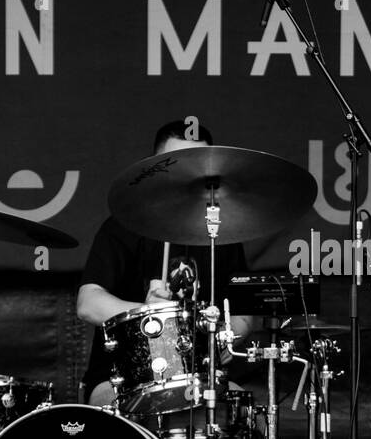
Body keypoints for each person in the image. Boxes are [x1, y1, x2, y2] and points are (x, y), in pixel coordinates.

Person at [77, 120, 249, 409]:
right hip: (122, 380)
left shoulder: (222, 233)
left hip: (202, 378)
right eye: (177, 164)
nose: (188, 174)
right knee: (115, 420)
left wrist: (222, 334)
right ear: (156, 169)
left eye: (198, 165)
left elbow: (246, 318)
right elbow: (88, 303)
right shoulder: (125, 225)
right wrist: (152, 315)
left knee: (253, 420)